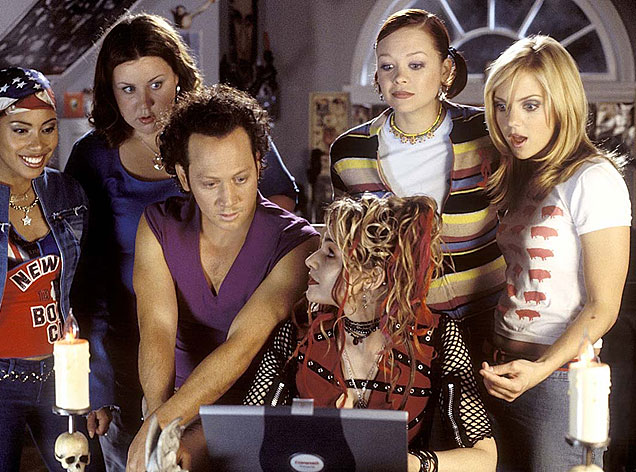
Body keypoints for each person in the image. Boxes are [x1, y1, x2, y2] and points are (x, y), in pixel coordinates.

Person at [64, 13, 299, 471]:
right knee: (141, 456)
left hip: (236, 337)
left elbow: (277, 211)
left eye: (157, 84)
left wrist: (230, 275)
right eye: (127, 89)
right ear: (110, 91)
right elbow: (86, 281)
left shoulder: (225, 134)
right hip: (131, 348)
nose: (146, 104)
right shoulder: (94, 159)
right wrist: (97, 385)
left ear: (180, 76)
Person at [125, 84, 319, 471]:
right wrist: (159, 425)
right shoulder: (159, 225)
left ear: (259, 165)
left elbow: (243, 344)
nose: (228, 200)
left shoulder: (297, 243)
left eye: (240, 179)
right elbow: (156, 328)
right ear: (184, 176)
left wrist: (161, 425)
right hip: (174, 402)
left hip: (256, 408)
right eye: (210, 183)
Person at [245, 194, 497, 471]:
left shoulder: (436, 337)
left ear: (372, 277)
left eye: (330, 254)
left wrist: (410, 463)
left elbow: (484, 458)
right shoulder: (298, 334)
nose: (310, 261)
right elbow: (245, 434)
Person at [0, 67, 106, 471]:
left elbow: (90, 294)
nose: (38, 144)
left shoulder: (68, 192)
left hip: (61, 378)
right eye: (21, 130)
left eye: (48, 129)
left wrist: (97, 384)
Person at [479, 35, 631, 470]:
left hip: (557, 382)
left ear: (562, 104)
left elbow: (604, 307)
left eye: (531, 105)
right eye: (502, 105)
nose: (512, 121)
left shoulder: (593, 179)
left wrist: (540, 369)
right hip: (502, 374)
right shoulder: (521, 175)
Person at [329, 9, 505, 366]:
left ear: (445, 70)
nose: (400, 78)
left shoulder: (487, 133)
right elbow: (350, 252)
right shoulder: (349, 153)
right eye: (388, 66)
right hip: (399, 338)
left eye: (416, 65)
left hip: (491, 326)